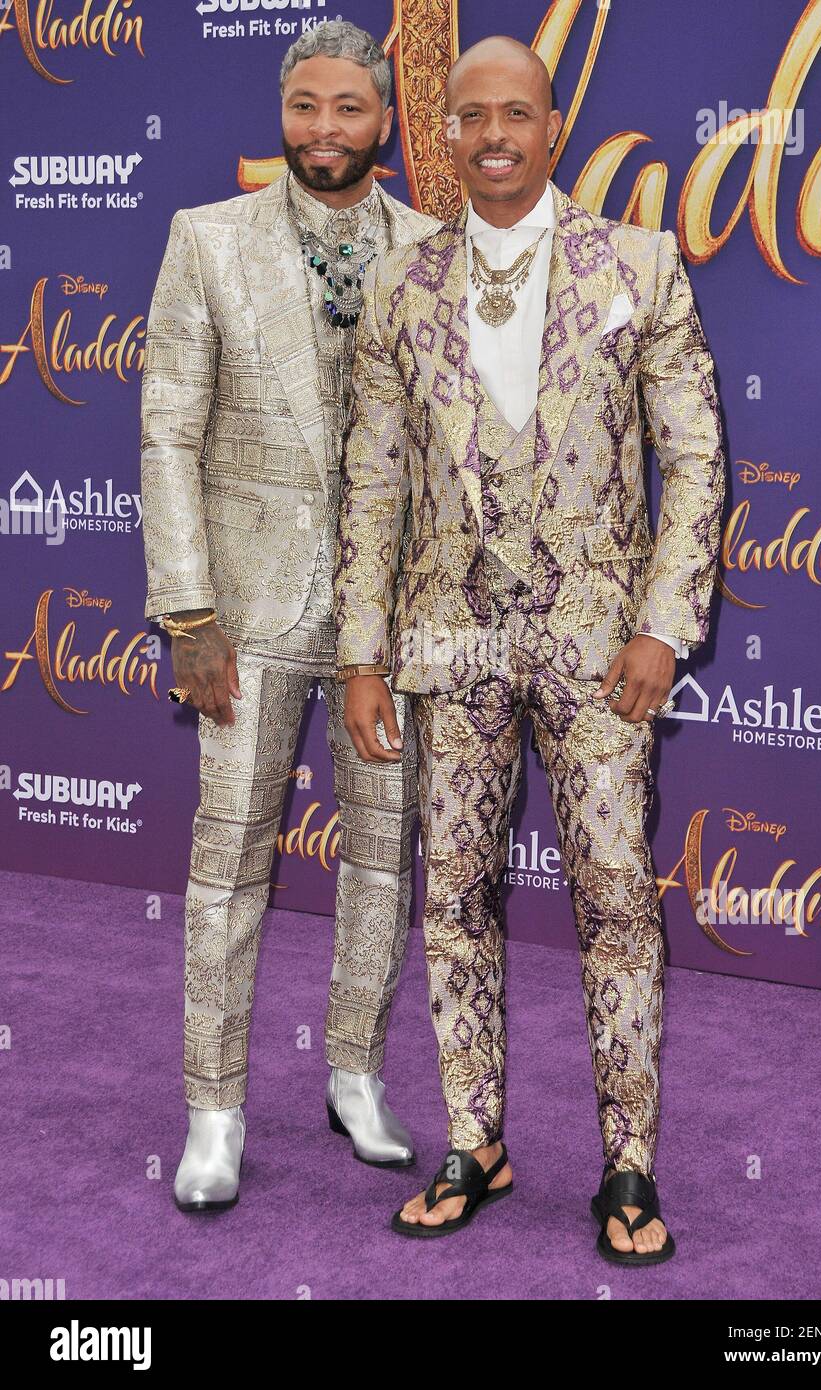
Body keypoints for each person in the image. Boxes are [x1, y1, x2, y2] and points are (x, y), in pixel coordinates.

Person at [334, 35, 725, 1261]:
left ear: (553, 127)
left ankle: (626, 1166)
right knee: (452, 899)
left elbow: (697, 459)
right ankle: (477, 1140)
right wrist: (359, 651)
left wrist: (666, 622)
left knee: (613, 900)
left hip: (603, 645)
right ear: (443, 134)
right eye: (470, 118)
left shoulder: (641, 264)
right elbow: (372, 484)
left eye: (517, 114)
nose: (493, 135)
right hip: (448, 642)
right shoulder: (401, 284)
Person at [139, 19, 439, 1213]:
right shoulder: (205, 241)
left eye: (349, 109)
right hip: (247, 614)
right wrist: (186, 608)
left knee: (381, 862)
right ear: (283, 110)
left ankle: (356, 1072)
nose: (325, 129)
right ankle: (213, 1106)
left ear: (383, 120)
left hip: (390, 625)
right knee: (226, 870)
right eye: (306, 106)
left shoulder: (434, 248)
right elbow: (166, 430)